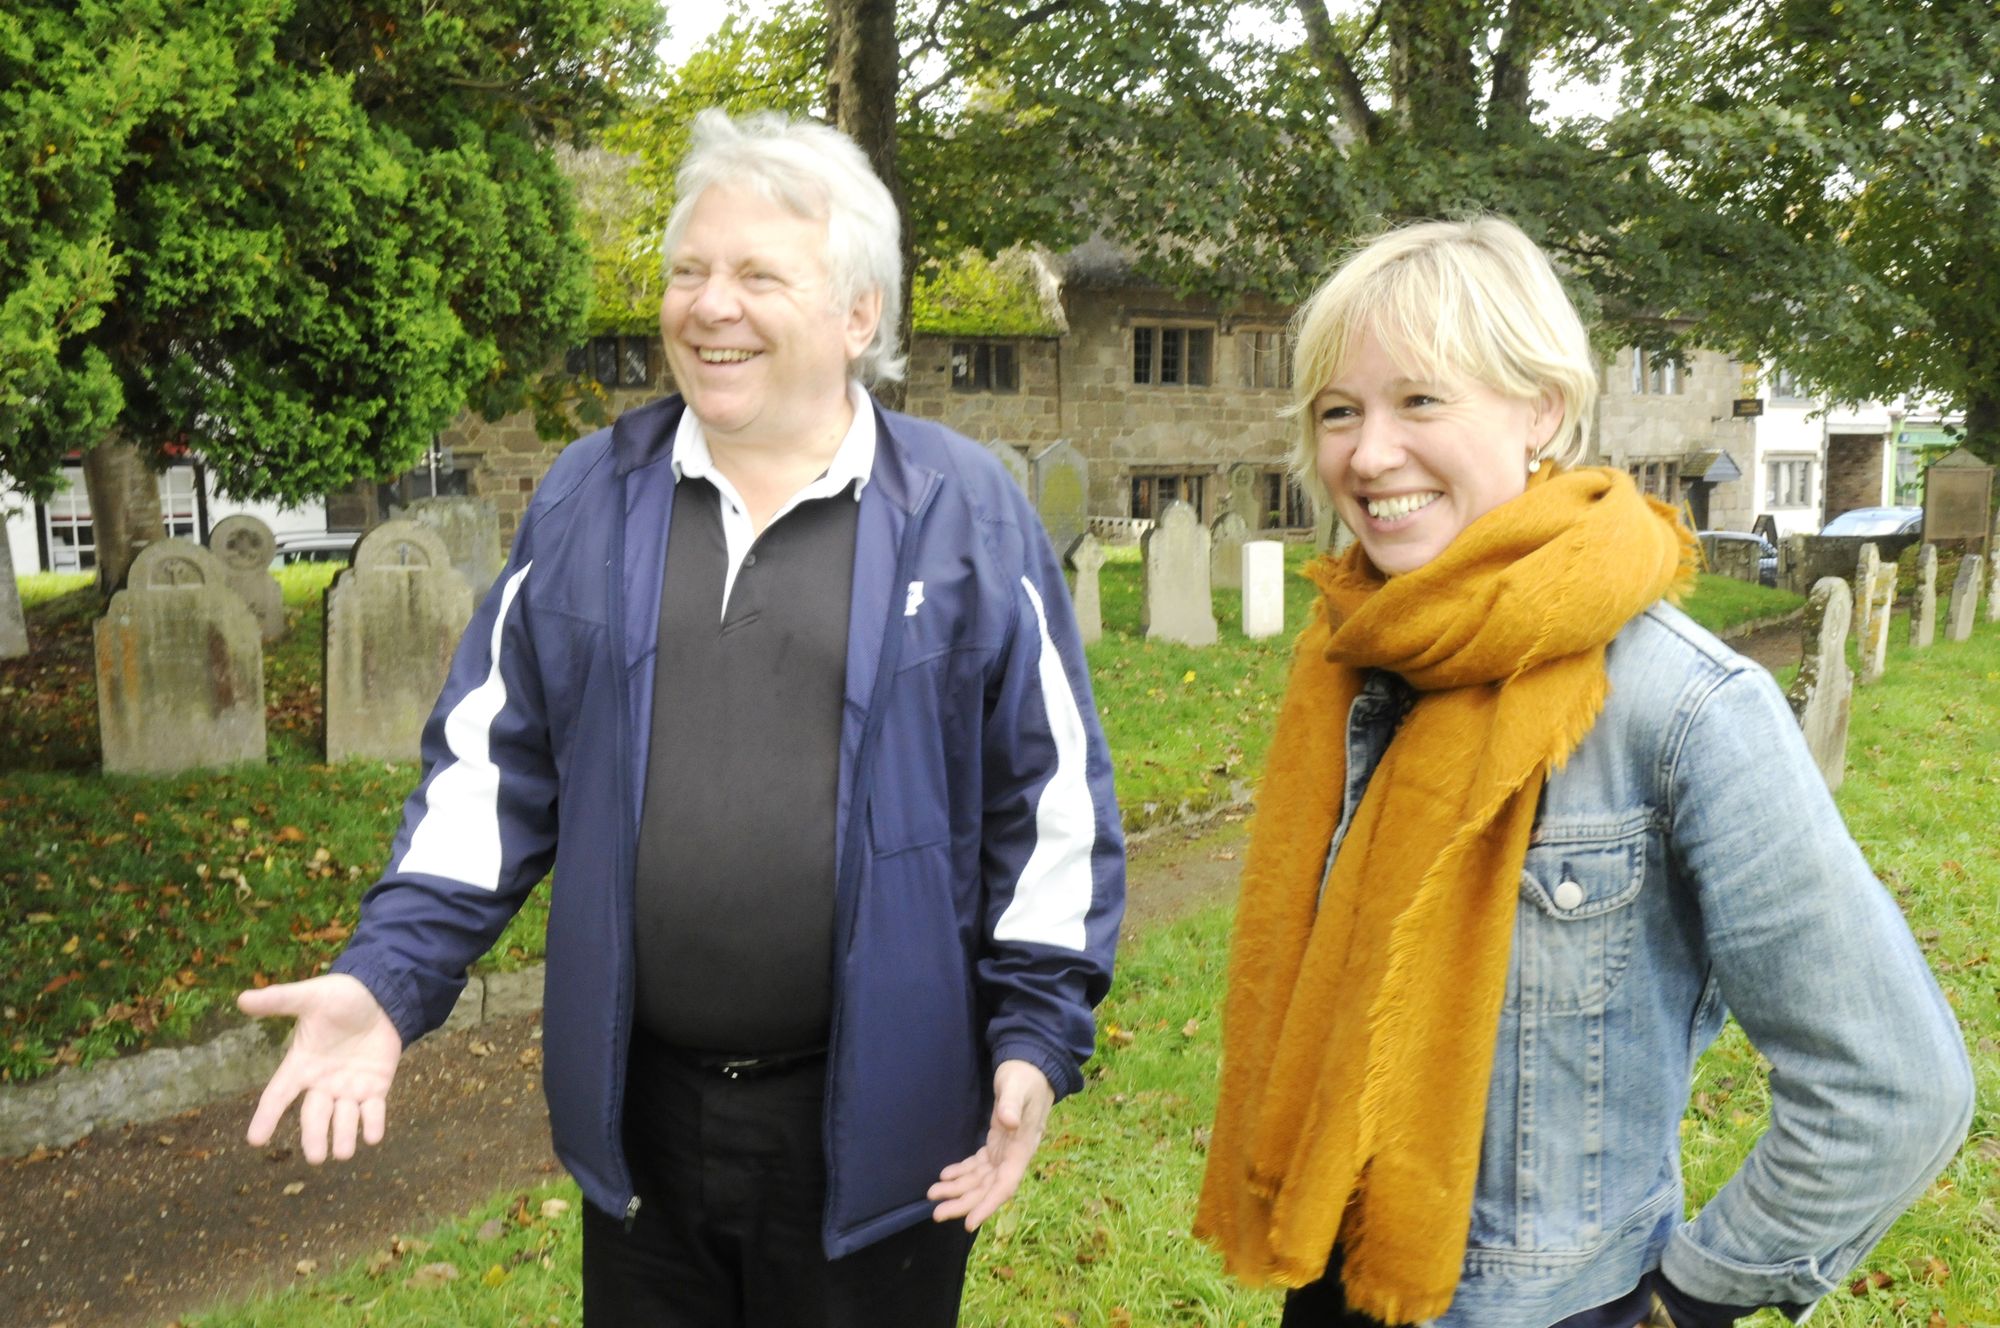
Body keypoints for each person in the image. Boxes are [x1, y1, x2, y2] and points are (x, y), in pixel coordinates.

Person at [237, 108, 1125, 1327]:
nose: (709, 305)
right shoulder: (585, 500)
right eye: (688, 270)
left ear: (859, 314)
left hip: (884, 1135)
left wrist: (1034, 1033)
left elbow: (1053, 799)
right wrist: (388, 979)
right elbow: (490, 773)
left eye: (760, 273)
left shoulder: (965, 511)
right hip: (646, 1136)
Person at [1194, 216, 1972, 1328]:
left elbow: (1891, 1083)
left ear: (1540, 413)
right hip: (1331, 1281)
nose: (1367, 454)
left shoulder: (1682, 704)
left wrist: (1689, 1303)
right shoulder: (1356, 667)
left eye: (1419, 400)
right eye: (1337, 411)